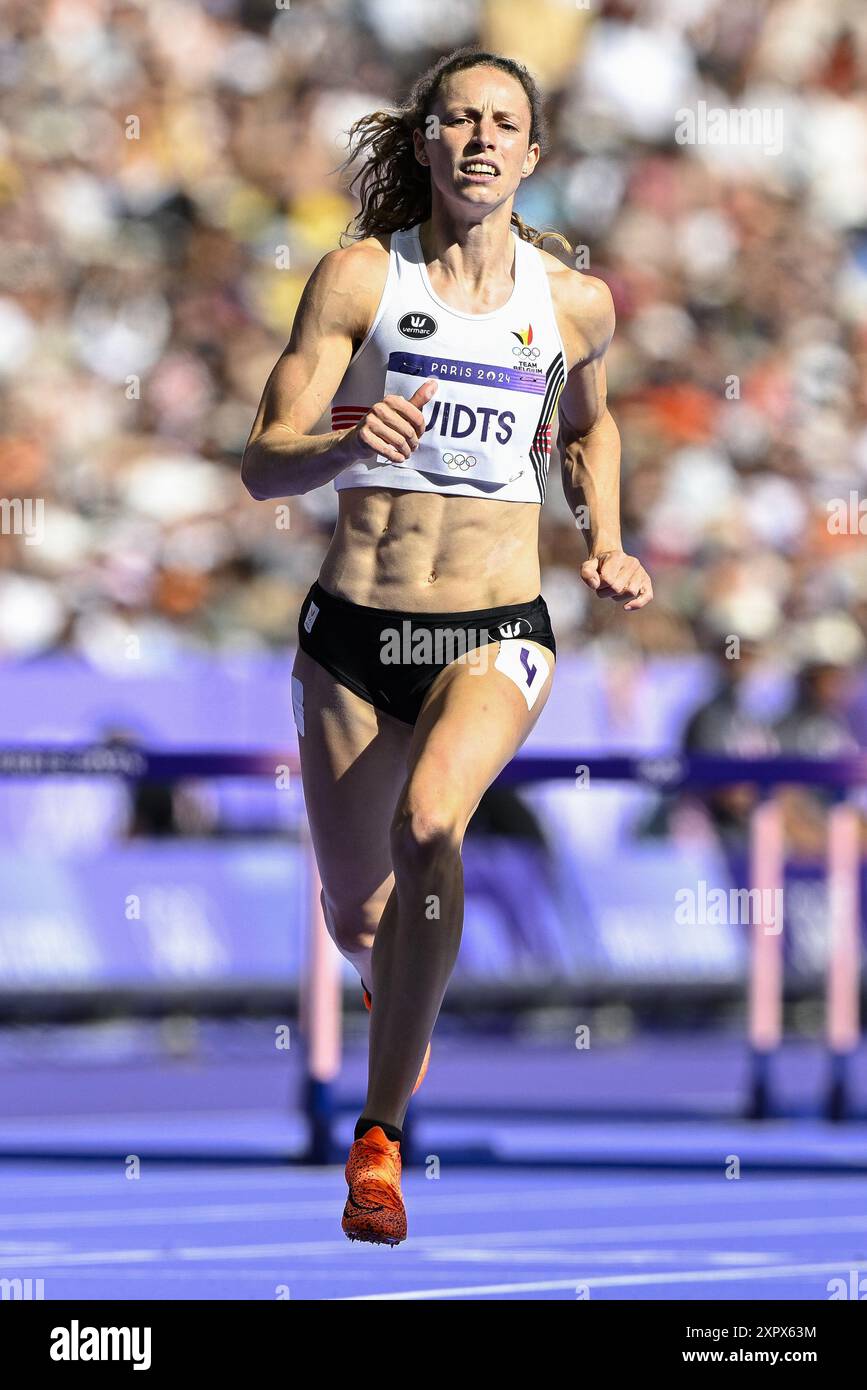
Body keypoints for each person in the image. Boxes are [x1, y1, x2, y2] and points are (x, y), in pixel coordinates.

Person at [241, 46, 652, 1245]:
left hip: (494, 631)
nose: (480, 139)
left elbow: (593, 426)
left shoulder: (573, 303)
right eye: (459, 119)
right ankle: (397, 997)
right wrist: (342, 437)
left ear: (533, 154)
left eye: (503, 122)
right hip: (352, 635)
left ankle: (378, 1138)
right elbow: (263, 455)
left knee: (434, 826)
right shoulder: (360, 279)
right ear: (425, 143)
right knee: (361, 919)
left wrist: (607, 540)